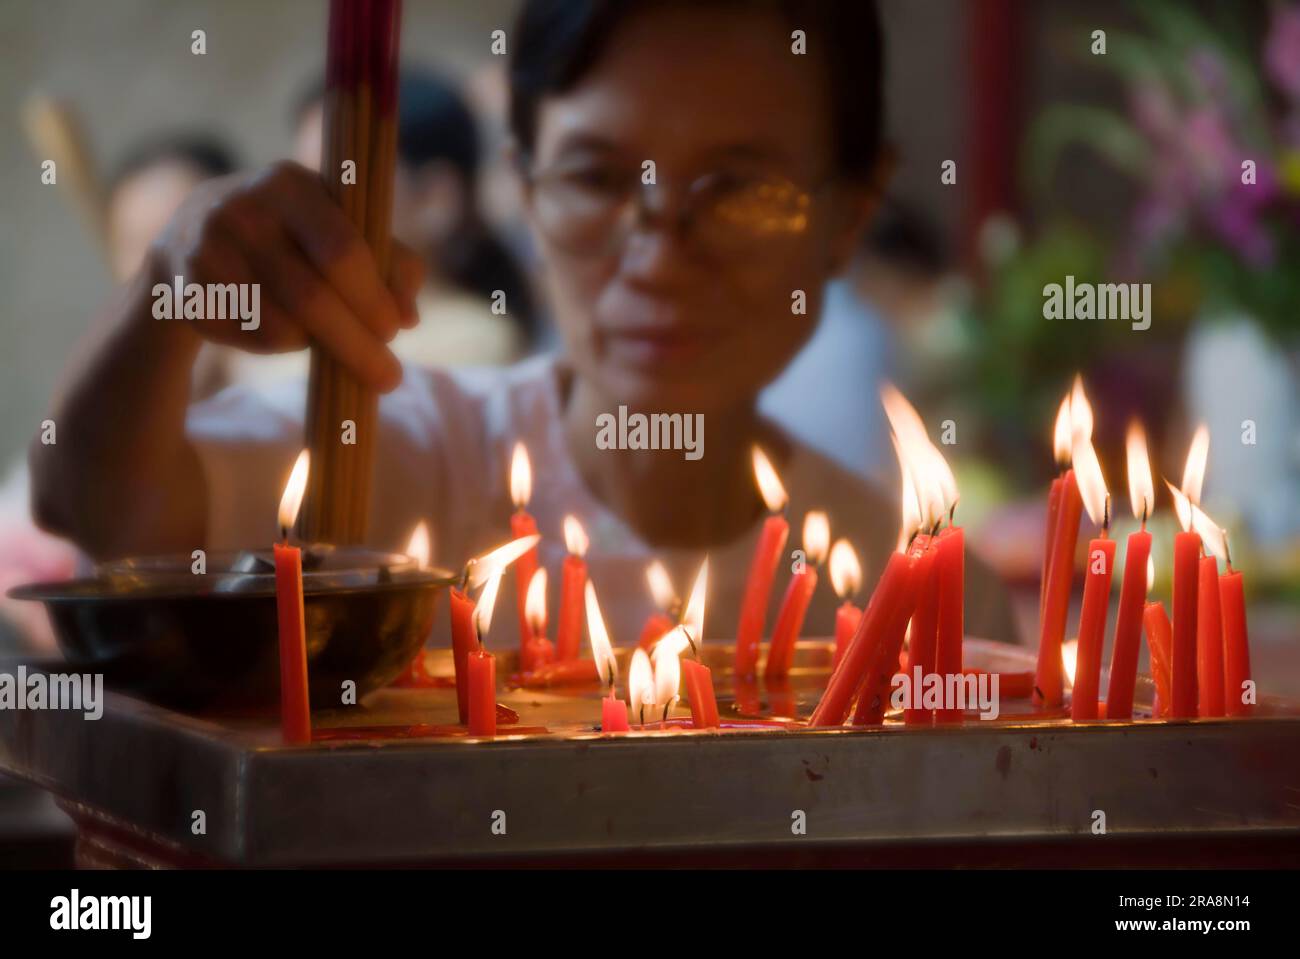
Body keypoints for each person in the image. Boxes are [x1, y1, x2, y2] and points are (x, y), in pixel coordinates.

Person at [30, 0, 1017, 653]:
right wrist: (166, 296)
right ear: (525, 189)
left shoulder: (922, 597)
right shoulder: (395, 452)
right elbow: (101, 506)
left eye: (739, 189)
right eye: (594, 178)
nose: (659, 252)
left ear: (849, 214)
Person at [265, 67, 539, 382]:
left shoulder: (474, 344)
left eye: (337, 182)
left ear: (435, 200)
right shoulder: (293, 331)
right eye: (302, 185)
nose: (305, 210)